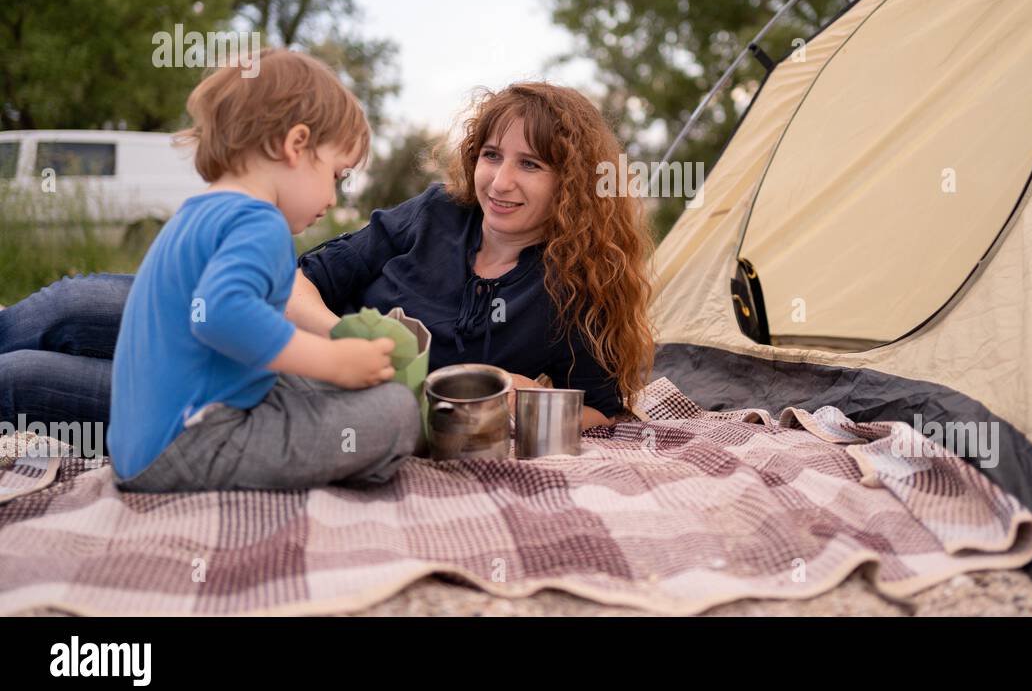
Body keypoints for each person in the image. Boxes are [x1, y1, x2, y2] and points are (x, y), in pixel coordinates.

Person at [0, 77, 656, 448]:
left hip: (282, 399)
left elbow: (603, 408)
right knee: (68, 308)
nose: (499, 181)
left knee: (27, 382)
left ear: (570, 182)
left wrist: (525, 395)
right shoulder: (436, 215)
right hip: (260, 319)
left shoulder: (575, 287)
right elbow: (299, 278)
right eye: (492, 155)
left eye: (530, 164)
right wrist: (338, 340)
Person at [109, 49, 419, 492]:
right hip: (191, 444)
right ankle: (361, 461)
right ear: (296, 146)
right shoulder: (260, 221)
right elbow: (222, 314)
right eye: (336, 174)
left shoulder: (197, 213)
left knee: (324, 386)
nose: (333, 199)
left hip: (147, 444)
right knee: (396, 412)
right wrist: (333, 361)